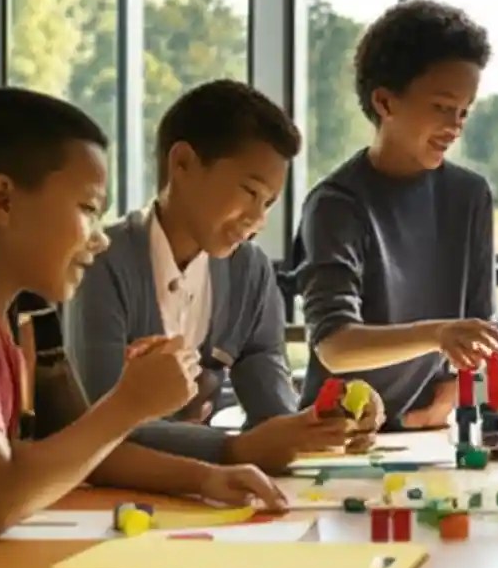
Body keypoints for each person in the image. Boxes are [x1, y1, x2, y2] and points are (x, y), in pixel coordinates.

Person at [0, 89, 284, 556]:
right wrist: (128, 404)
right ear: (3, 200)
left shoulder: (3, 318)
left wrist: (206, 477)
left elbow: (81, 453)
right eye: (88, 209)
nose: (100, 241)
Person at [65, 80, 379, 474]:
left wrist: (324, 420)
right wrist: (235, 449)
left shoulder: (250, 272)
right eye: (249, 192)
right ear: (182, 164)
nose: (258, 219)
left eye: (268, 203)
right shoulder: (101, 262)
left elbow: (272, 413)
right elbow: (102, 424)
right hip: (104, 495)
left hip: (203, 494)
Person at [289, 0, 498, 430]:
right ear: (385, 102)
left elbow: (479, 327)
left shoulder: (470, 195)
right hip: (337, 436)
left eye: (464, 110)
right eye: (443, 107)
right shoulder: (336, 204)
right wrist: (438, 335)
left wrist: (446, 394)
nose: (456, 125)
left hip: (426, 434)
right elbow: (334, 344)